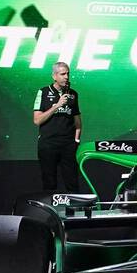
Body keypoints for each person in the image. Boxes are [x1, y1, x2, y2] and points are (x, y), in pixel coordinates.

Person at [33, 62, 82, 191]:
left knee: (72, 181)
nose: (66, 77)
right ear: (54, 76)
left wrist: (76, 140)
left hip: (68, 143)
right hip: (48, 143)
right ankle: (50, 210)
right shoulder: (43, 92)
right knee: (49, 181)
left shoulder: (73, 94)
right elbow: (37, 120)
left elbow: (77, 120)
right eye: (62, 74)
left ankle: (74, 209)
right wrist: (56, 106)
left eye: (68, 74)